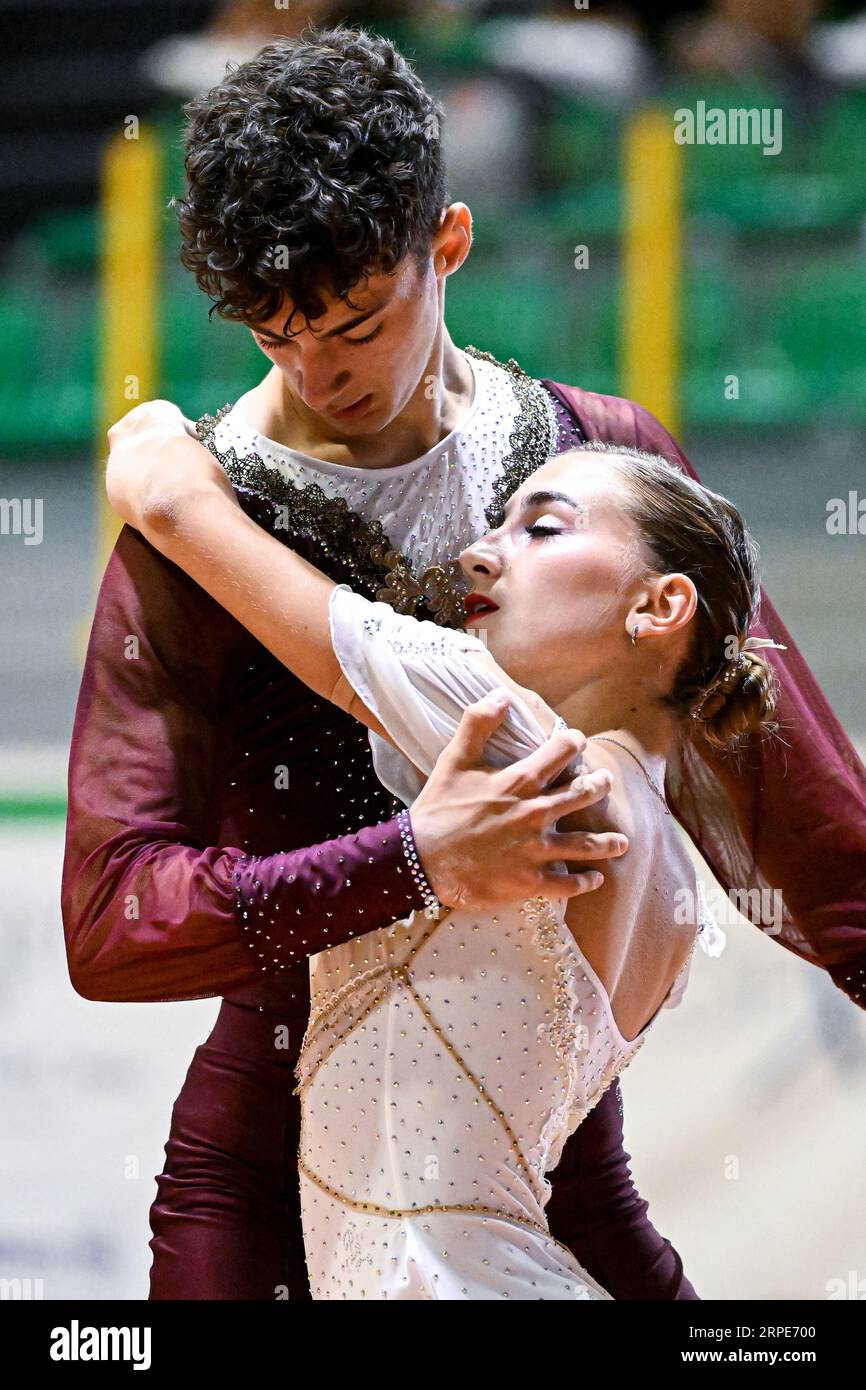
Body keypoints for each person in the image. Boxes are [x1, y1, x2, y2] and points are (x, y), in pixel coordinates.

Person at [64, 24, 866, 1303]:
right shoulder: (195, 537)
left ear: (448, 240)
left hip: (553, 1173)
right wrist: (410, 864)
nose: (319, 375)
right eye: (274, 336)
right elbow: (112, 926)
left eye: (356, 324)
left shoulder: (596, 465)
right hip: (261, 1184)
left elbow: (816, 835)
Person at [106, 425, 800, 1297]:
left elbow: (171, 506)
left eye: (540, 529)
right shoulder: (674, 881)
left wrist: (157, 430)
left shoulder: (520, 746)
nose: (478, 554)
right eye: (495, 525)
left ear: (658, 607)